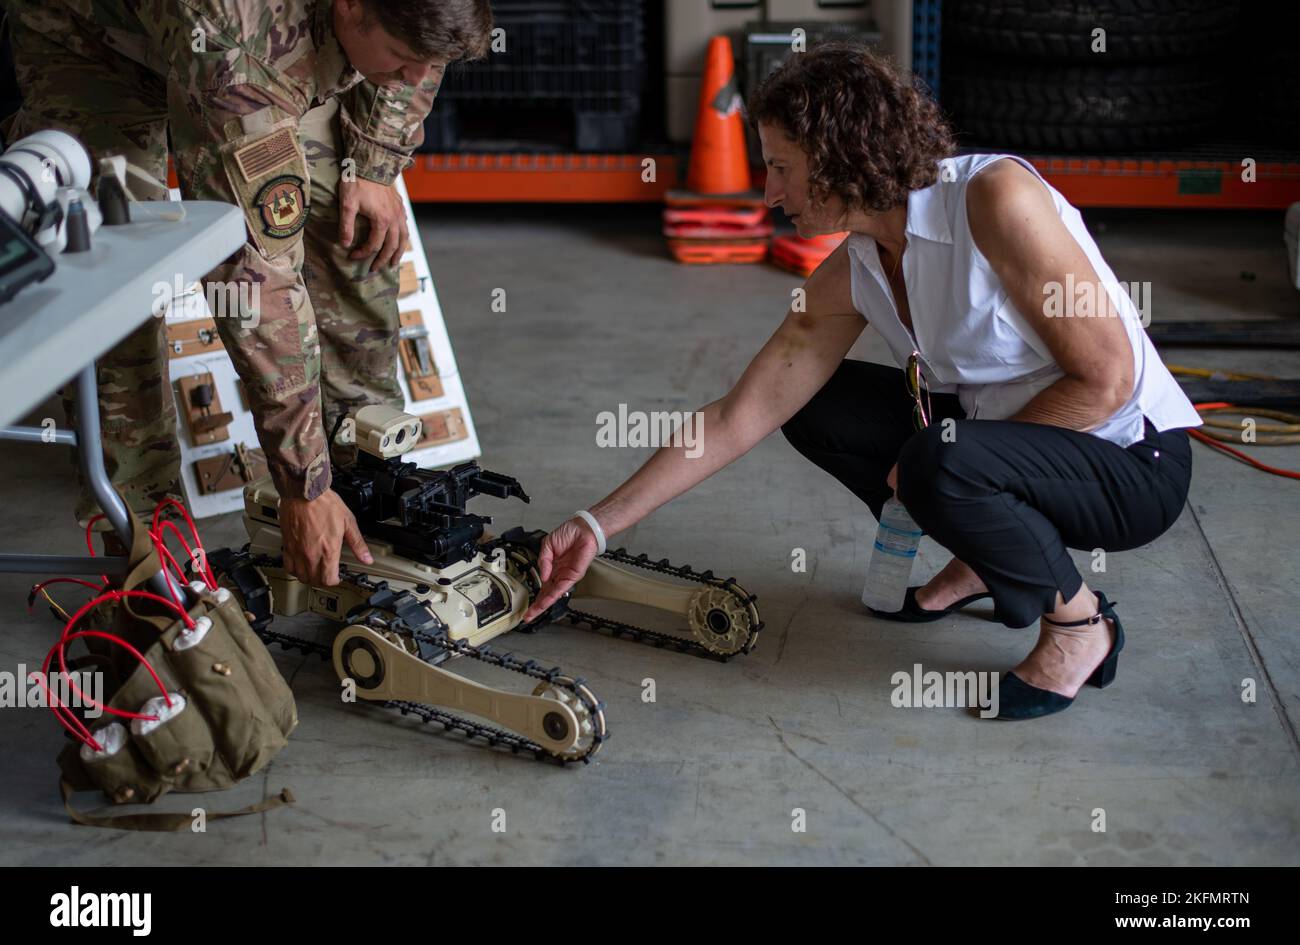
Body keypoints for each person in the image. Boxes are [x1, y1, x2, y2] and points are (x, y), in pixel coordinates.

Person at [523, 43, 1202, 721]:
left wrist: (959, 466)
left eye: (781, 169)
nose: (769, 194)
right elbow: (741, 413)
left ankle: (1082, 628)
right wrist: (596, 525)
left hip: (1129, 461)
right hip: (1002, 447)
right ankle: (989, 551)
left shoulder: (994, 198)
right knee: (825, 408)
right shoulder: (859, 267)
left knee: (944, 458)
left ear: (840, 154)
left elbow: (1107, 380)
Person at [2, 0, 492, 586]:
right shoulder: (241, 55)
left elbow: (426, 40)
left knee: (347, 210)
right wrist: (302, 486)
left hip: (252, 42)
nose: (418, 76)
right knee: (119, 284)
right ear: (352, 8)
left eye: (432, 63)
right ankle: (142, 539)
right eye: (405, 58)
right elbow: (255, 283)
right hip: (96, 43)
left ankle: (363, 469)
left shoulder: (402, 27)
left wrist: (376, 159)